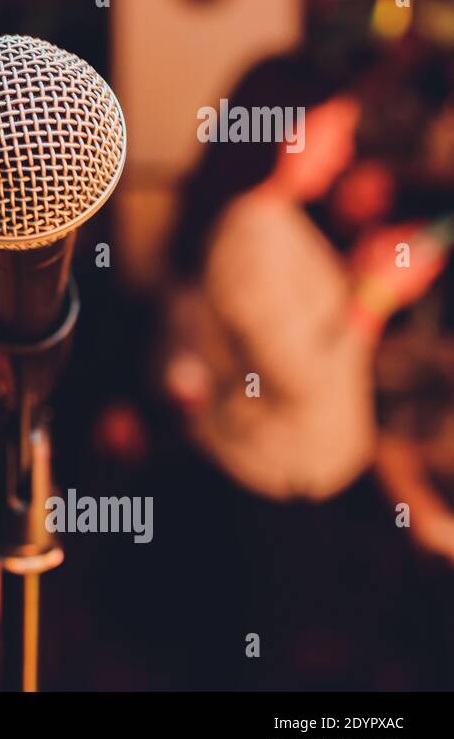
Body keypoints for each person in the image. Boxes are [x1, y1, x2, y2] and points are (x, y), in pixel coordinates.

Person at [165, 55, 448, 500]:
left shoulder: (278, 213)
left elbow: (307, 323)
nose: (344, 151)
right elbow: (302, 384)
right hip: (280, 485)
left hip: (316, 471)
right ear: (284, 129)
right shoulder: (250, 235)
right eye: (333, 133)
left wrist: (361, 272)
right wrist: (377, 295)